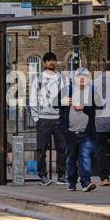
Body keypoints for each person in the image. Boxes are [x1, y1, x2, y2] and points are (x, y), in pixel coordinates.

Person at [29, 52, 66, 186]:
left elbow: (64, 97)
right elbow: (33, 99)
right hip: (43, 119)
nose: (52, 62)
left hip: (58, 119)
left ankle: (61, 175)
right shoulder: (37, 79)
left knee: (62, 148)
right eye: (49, 60)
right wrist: (36, 118)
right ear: (44, 63)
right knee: (41, 149)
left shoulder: (61, 78)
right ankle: (43, 175)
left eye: (53, 60)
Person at [60, 69, 97, 192]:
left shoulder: (92, 92)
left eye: (85, 76)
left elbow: (96, 110)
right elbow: (54, 103)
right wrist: (62, 102)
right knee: (71, 157)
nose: (82, 78)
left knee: (84, 156)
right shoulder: (67, 91)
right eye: (79, 76)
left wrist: (83, 107)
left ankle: (86, 182)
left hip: (85, 132)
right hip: (69, 131)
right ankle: (71, 182)